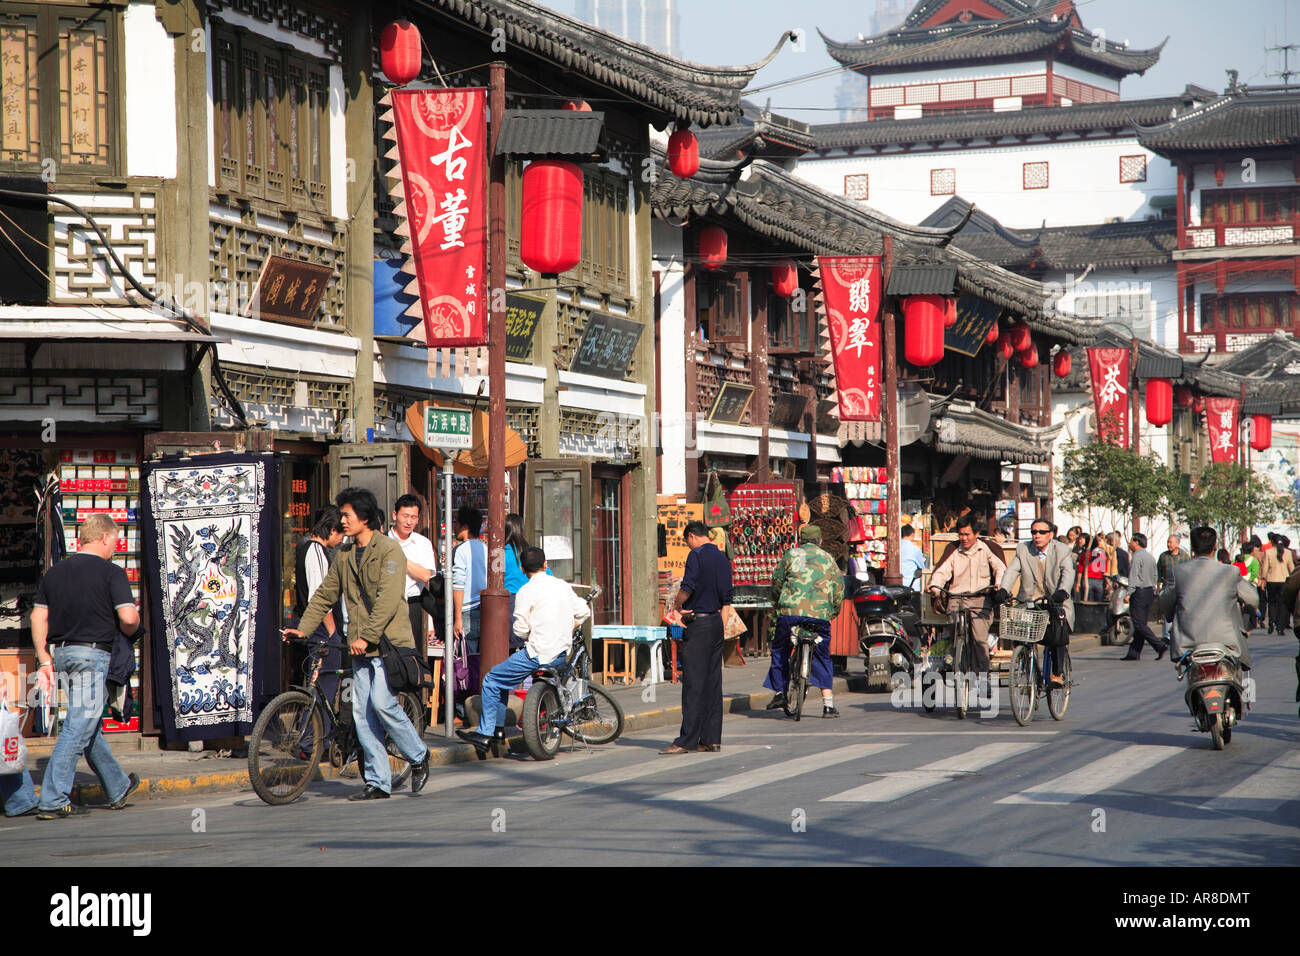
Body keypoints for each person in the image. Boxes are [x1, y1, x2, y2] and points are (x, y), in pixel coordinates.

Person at [285, 488, 430, 799]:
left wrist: (368, 636)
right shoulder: (346, 555)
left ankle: (418, 755)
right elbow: (325, 594)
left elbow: (388, 599)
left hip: (387, 643)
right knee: (362, 714)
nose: (342, 520)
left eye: (347, 515)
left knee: (382, 703)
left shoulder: (390, 551)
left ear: (364, 519)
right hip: (358, 645)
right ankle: (378, 782)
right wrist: (303, 629)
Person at [31, 514, 141, 818]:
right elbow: (129, 618)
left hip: (63, 655)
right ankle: (53, 799)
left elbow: (38, 617)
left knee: (86, 724)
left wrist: (44, 660)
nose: (117, 547)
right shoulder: (111, 573)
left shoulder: (54, 573)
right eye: (116, 540)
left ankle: (117, 786)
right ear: (104, 537)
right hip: (93, 656)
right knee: (78, 727)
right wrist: (132, 632)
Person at [457, 547, 588, 754]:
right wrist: (568, 626)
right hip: (561, 653)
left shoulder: (526, 591)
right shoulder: (562, 586)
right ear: (546, 565)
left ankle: (485, 733)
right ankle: (498, 730)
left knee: (492, 680)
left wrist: (533, 633)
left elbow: (520, 629)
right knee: (501, 680)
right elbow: (583, 611)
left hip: (537, 653)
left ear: (521, 568)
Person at [661, 521, 732, 754]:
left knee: (693, 683)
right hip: (715, 623)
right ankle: (711, 739)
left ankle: (686, 740)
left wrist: (677, 603)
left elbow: (688, 586)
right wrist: (720, 625)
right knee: (713, 683)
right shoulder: (722, 557)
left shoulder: (696, 555)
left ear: (691, 536)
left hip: (699, 624)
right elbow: (727, 598)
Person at [763, 525, 845, 718]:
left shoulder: (792, 555)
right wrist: (832, 612)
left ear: (800, 539)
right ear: (820, 541)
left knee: (780, 649)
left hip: (789, 612)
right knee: (823, 655)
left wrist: (777, 602)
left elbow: (777, 582)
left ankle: (779, 692)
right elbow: (839, 590)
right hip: (820, 615)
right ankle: (828, 705)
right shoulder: (828, 558)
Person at [1158, 526, 1257, 670]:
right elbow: (1253, 599)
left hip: (1188, 644)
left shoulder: (1178, 572)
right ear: (1215, 546)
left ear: (1193, 548)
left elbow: (1165, 603)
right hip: (1227, 644)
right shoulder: (1230, 572)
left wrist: (1169, 614)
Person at [928, 515, 1006, 683]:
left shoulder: (986, 549)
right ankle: (956, 655)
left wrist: (999, 583)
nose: (963, 538)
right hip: (956, 599)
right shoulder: (954, 551)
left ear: (976, 533)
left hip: (980, 601)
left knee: (979, 639)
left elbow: (1000, 568)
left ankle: (982, 677)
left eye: (967, 534)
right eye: (961, 534)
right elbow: (942, 573)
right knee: (955, 630)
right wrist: (934, 586)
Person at [997, 518, 1074, 684]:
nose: (1037, 535)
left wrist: (1062, 592)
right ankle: (1028, 669)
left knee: (1057, 633)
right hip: (1030, 602)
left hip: (1055, 602)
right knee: (1017, 632)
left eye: (1042, 532)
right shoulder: (1023, 549)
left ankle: (1057, 673)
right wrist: (1003, 589)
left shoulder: (1062, 550)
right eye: (1034, 532)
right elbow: (1011, 571)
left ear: (1051, 534)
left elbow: (1068, 573)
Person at [292, 506, 346, 706]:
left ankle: (315, 734)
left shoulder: (304, 547)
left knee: (318, 685)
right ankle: (314, 736)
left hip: (314, 627)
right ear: (332, 530)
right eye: (341, 533)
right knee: (324, 687)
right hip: (321, 630)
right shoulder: (315, 550)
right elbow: (320, 596)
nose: (342, 540)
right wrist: (333, 632)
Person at [389, 494, 438, 647]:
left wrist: (400, 557)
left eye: (413, 517)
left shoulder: (423, 543)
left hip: (412, 605)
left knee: (411, 654)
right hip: (386, 606)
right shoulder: (382, 541)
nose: (409, 522)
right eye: (405, 516)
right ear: (395, 515)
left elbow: (425, 575)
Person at [503, 513, 551, 651]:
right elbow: (548, 576)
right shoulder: (531, 553)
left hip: (510, 604)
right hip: (535, 604)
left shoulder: (500, 553)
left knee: (511, 648)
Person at [1120, 532, 1165, 661]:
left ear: (1136, 542)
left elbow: (1133, 576)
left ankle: (1159, 645)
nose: (1130, 543)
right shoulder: (1150, 557)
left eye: (1131, 541)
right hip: (1149, 591)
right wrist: (1154, 588)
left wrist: (1129, 593)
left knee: (1139, 623)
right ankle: (1134, 652)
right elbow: (1155, 575)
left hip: (1139, 592)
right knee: (1141, 622)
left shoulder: (1136, 557)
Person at [452, 505, 488, 653]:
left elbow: (458, 584)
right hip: (485, 609)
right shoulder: (486, 548)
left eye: (456, 523)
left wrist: (457, 617)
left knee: (467, 659)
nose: (454, 527)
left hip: (466, 610)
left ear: (464, 526)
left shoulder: (460, 550)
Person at [1157, 534, 1190, 646]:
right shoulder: (1163, 557)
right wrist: (1158, 586)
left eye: (1171, 542)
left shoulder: (1185, 556)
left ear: (1177, 543)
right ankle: (1166, 636)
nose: (1169, 544)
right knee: (1167, 610)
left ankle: (1180, 635)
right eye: (1168, 542)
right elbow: (1159, 572)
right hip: (1167, 587)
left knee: (1181, 611)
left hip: (1181, 587)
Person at [1262, 533, 1296, 634]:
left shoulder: (1268, 552)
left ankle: (1271, 622)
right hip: (1283, 581)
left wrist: (1263, 578)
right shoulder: (1287, 553)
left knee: (1271, 603)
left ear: (1272, 542)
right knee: (1282, 604)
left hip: (1271, 580)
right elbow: (1291, 568)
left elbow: (1265, 568)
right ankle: (1280, 627)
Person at [898, 523, 927, 589]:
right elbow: (922, 567)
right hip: (911, 586)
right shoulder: (914, 549)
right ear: (912, 534)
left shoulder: (895, 547)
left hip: (896, 585)